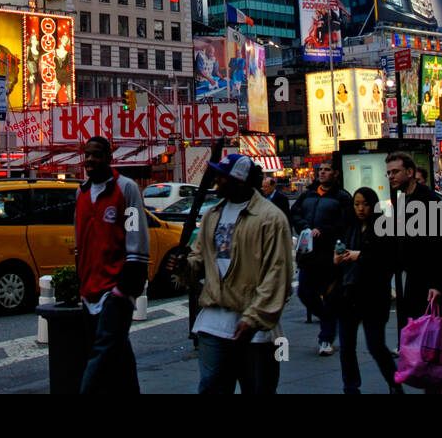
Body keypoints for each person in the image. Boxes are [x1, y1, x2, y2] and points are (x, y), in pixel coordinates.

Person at [168, 154, 293, 393]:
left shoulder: (271, 218)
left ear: (239, 181)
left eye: (222, 177)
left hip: (256, 329)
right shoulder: (212, 215)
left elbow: (278, 275)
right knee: (212, 386)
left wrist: (254, 318)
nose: (216, 181)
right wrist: (184, 267)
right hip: (214, 323)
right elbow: (200, 259)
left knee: (257, 388)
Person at [74, 135, 149, 394]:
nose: (90, 160)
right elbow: (79, 241)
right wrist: (81, 284)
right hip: (89, 291)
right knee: (116, 351)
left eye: (96, 154)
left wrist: (124, 288)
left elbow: (136, 237)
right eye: (87, 155)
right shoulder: (81, 193)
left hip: (114, 289)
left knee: (101, 353)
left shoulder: (125, 189)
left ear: (109, 157)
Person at [386, 152, 442, 359]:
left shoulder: (428, 200)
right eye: (389, 173)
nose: (391, 176)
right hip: (413, 277)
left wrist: (437, 284)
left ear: (409, 172)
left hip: (430, 281)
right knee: (420, 336)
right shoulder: (403, 200)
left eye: (396, 171)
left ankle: (435, 383)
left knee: (431, 339)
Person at [333, 187, 401, 394]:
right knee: (346, 347)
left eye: (365, 204)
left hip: (373, 294)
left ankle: (394, 382)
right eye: (356, 204)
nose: (360, 208)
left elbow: (388, 261)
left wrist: (358, 256)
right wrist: (336, 259)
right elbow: (338, 251)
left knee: (376, 345)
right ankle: (350, 387)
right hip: (348, 292)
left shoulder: (383, 226)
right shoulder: (348, 226)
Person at [291, 163, 354, 355]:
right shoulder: (308, 195)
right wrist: (305, 227)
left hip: (329, 254)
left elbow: (347, 224)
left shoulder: (342, 197)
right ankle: (329, 319)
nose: (323, 172)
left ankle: (326, 337)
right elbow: (295, 213)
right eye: (321, 170)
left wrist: (325, 232)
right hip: (309, 254)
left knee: (329, 295)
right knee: (304, 292)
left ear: (335, 173)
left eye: (327, 169)